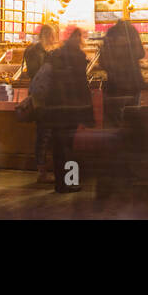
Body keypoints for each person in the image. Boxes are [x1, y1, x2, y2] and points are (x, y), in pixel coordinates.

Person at [38, 25, 95, 194]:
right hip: (71, 107)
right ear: (78, 39)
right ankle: (69, 182)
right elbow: (81, 85)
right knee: (68, 147)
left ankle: (60, 183)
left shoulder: (54, 55)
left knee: (58, 146)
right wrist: (87, 111)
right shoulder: (78, 57)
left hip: (55, 107)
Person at [24, 23, 59, 183]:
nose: (54, 38)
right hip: (41, 97)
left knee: (46, 133)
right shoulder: (36, 52)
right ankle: (41, 170)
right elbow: (36, 74)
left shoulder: (43, 51)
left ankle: (45, 167)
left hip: (44, 96)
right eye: (52, 35)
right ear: (46, 35)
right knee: (43, 134)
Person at [98, 18, 145, 128]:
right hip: (133, 82)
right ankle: (131, 138)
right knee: (132, 116)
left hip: (114, 84)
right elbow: (140, 53)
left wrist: (113, 68)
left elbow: (103, 62)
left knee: (115, 118)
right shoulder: (132, 31)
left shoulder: (111, 33)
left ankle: (117, 140)